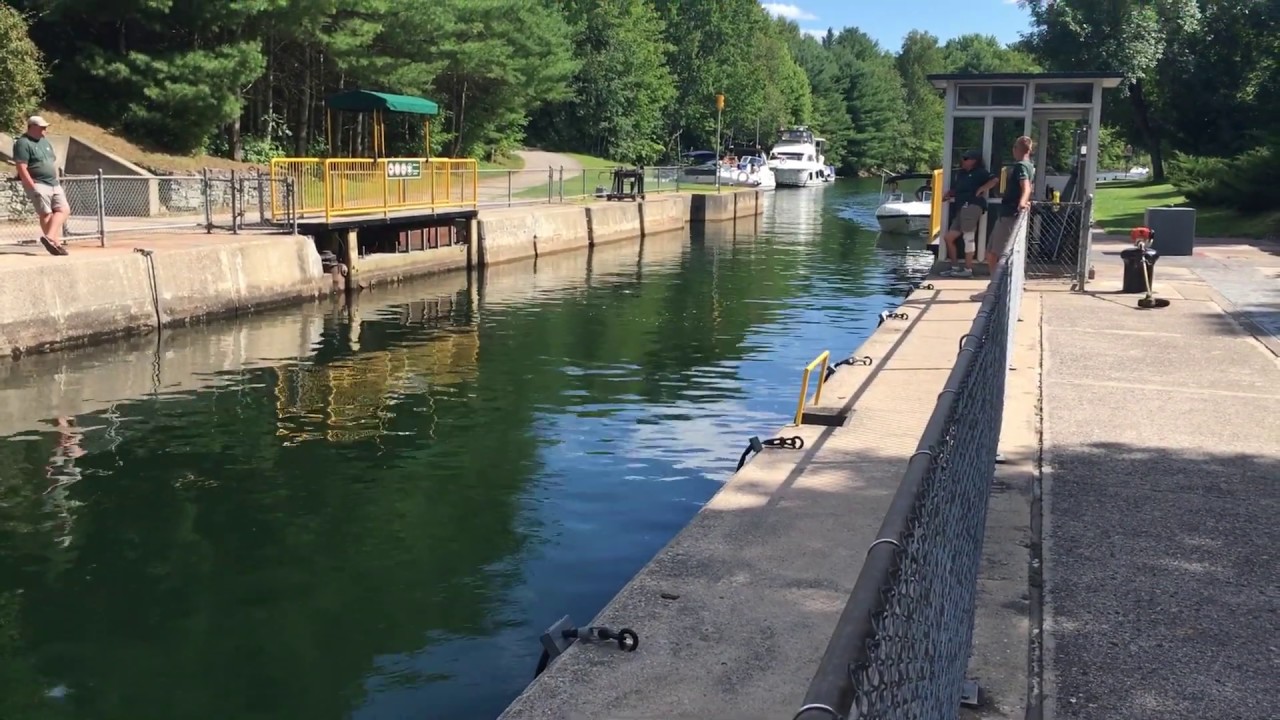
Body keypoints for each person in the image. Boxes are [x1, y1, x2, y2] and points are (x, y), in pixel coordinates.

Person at [971, 136, 1035, 301]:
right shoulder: (1030, 166)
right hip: (1004, 214)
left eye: (1014, 148)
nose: (1013, 151)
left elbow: (1026, 187)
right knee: (991, 253)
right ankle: (993, 288)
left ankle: (995, 292)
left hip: (1009, 215)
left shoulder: (1021, 166)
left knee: (996, 255)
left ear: (1018, 149)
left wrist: (1021, 203)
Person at [13, 115, 70, 256]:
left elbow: (51, 161)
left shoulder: (45, 142)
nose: (45, 130)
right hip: (38, 183)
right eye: (42, 127)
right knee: (46, 213)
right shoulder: (23, 143)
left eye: (46, 127)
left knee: (64, 209)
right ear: (32, 127)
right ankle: (55, 243)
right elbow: (21, 167)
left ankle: (50, 237)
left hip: (53, 183)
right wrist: (32, 186)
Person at [940, 149, 1000, 278]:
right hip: (961, 206)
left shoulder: (980, 172)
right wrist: (949, 193)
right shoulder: (961, 174)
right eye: (963, 158)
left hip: (972, 205)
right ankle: (955, 267)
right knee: (948, 237)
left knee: (968, 237)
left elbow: (994, 180)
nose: (963, 160)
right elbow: (959, 188)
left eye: (966, 158)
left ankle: (968, 270)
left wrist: (982, 189)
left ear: (974, 161)